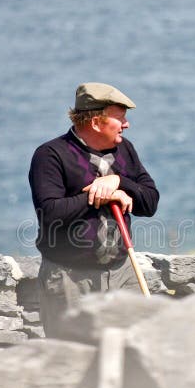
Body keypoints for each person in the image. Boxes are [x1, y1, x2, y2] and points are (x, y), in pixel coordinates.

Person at [29, 82, 159, 336]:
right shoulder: (51, 155)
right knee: (72, 361)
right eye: (120, 118)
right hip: (70, 281)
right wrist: (99, 195)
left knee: (133, 354)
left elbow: (150, 202)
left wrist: (119, 182)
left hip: (122, 273)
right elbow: (50, 213)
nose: (126, 124)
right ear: (97, 123)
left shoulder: (125, 150)